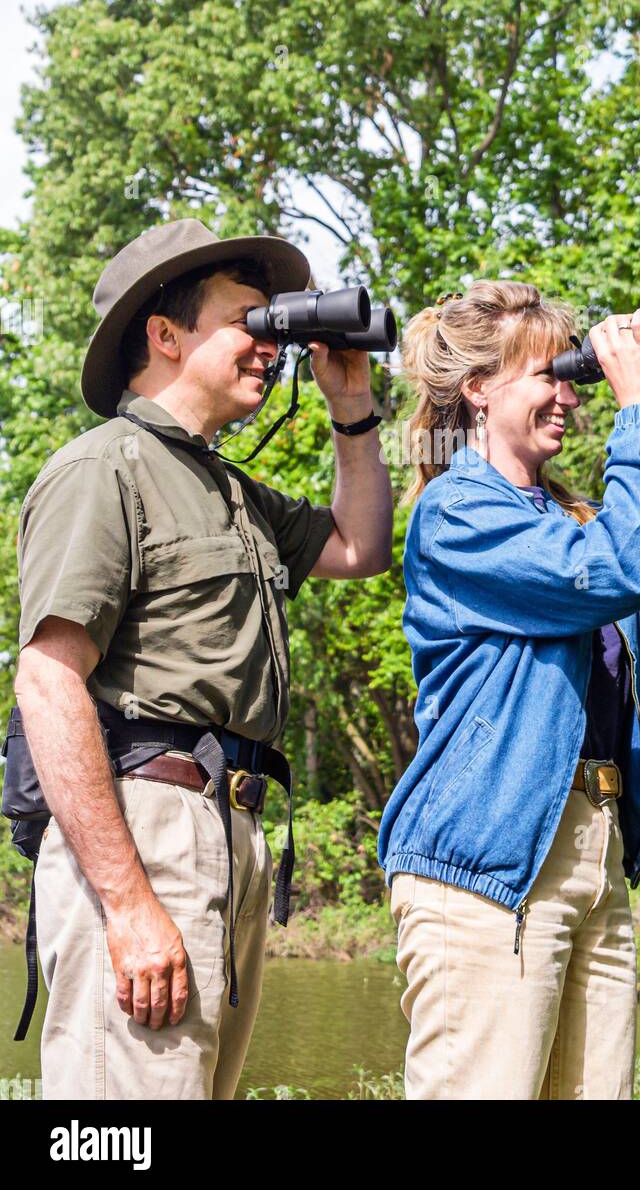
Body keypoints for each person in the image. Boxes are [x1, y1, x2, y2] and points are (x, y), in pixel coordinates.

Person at [12, 217, 392, 1100]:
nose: (273, 345)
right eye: (249, 322)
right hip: (147, 824)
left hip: (235, 829)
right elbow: (48, 679)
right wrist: (131, 903)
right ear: (166, 334)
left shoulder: (232, 491)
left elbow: (359, 546)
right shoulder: (102, 469)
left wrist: (352, 408)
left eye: (277, 324)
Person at [378, 280, 640, 1100]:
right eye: (546, 374)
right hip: (487, 862)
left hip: (598, 853)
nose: (567, 394)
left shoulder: (584, 520)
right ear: (478, 389)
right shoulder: (456, 517)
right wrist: (638, 416)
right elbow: (618, 571)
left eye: (573, 374)